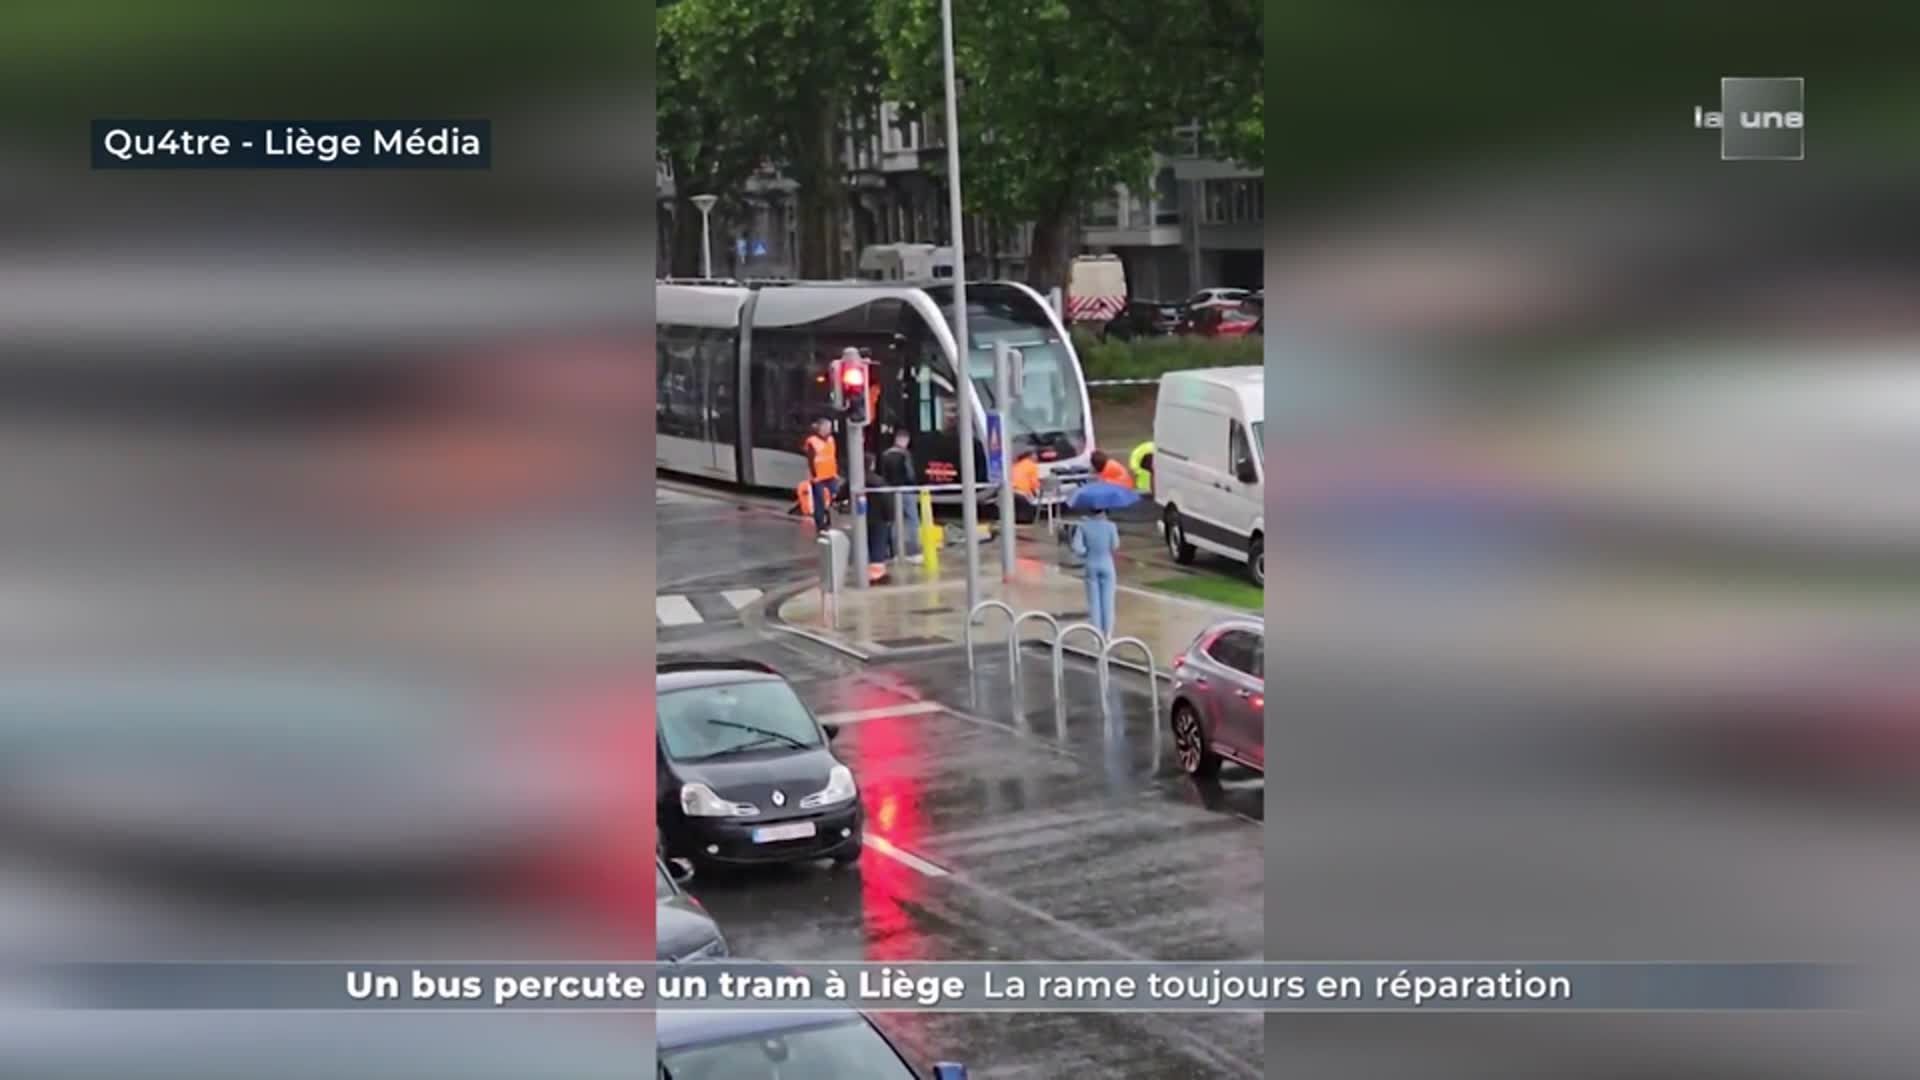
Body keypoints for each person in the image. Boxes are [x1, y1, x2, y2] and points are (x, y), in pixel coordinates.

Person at [1070, 507, 1120, 638]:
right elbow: (1115, 545)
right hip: (1107, 564)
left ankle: (1096, 635)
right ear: (1105, 512)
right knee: (1108, 602)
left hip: (1091, 564)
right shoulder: (1111, 526)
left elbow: (1076, 547)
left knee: (1094, 603)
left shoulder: (1083, 526)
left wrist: (1086, 552)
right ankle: (1108, 634)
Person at [878, 429, 922, 563]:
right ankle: (913, 552)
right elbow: (910, 474)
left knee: (894, 522)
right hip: (906, 491)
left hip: (890, 491)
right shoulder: (905, 455)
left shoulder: (885, 454)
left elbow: (882, 474)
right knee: (913, 520)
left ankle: (894, 552)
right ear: (905, 440)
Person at [801, 417, 839, 532]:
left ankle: (828, 519)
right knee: (820, 501)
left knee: (835, 498)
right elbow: (811, 460)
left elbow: (832, 456)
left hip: (831, 475)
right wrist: (814, 476)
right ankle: (820, 524)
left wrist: (835, 472)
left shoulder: (831, 439)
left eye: (830, 427)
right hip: (818, 477)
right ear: (820, 428)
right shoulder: (812, 441)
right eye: (827, 427)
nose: (829, 429)